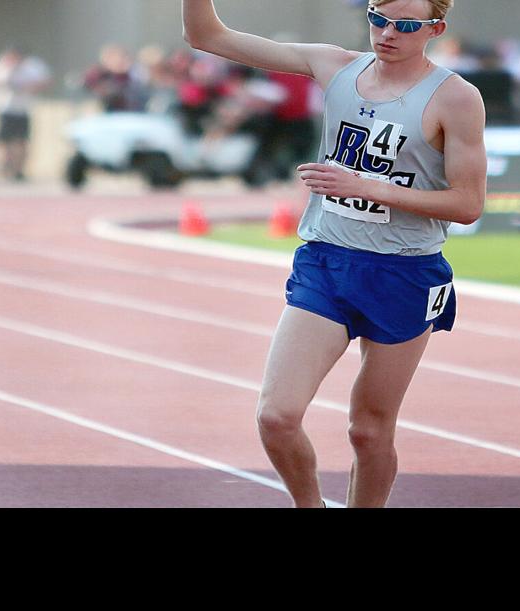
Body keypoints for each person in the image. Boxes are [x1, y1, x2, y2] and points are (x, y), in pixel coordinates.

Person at [183, 0, 486, 508]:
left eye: (407, 25)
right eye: (378, 19)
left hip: (404, 271)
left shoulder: (455, 98)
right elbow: (208, 37)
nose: (388, 33)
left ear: (436, 28)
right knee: (276, 416)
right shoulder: (335, 65)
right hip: (327, 261)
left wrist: (370, 187)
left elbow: (468, 204)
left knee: (369, 431)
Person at [0, 48, 51, 182]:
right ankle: (6, 167)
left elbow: (43, 83)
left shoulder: (31, 67)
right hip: (5, 109)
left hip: (23, 110)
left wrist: (29, 86)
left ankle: (19, 170)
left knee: (22, 141)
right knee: (5, 141)